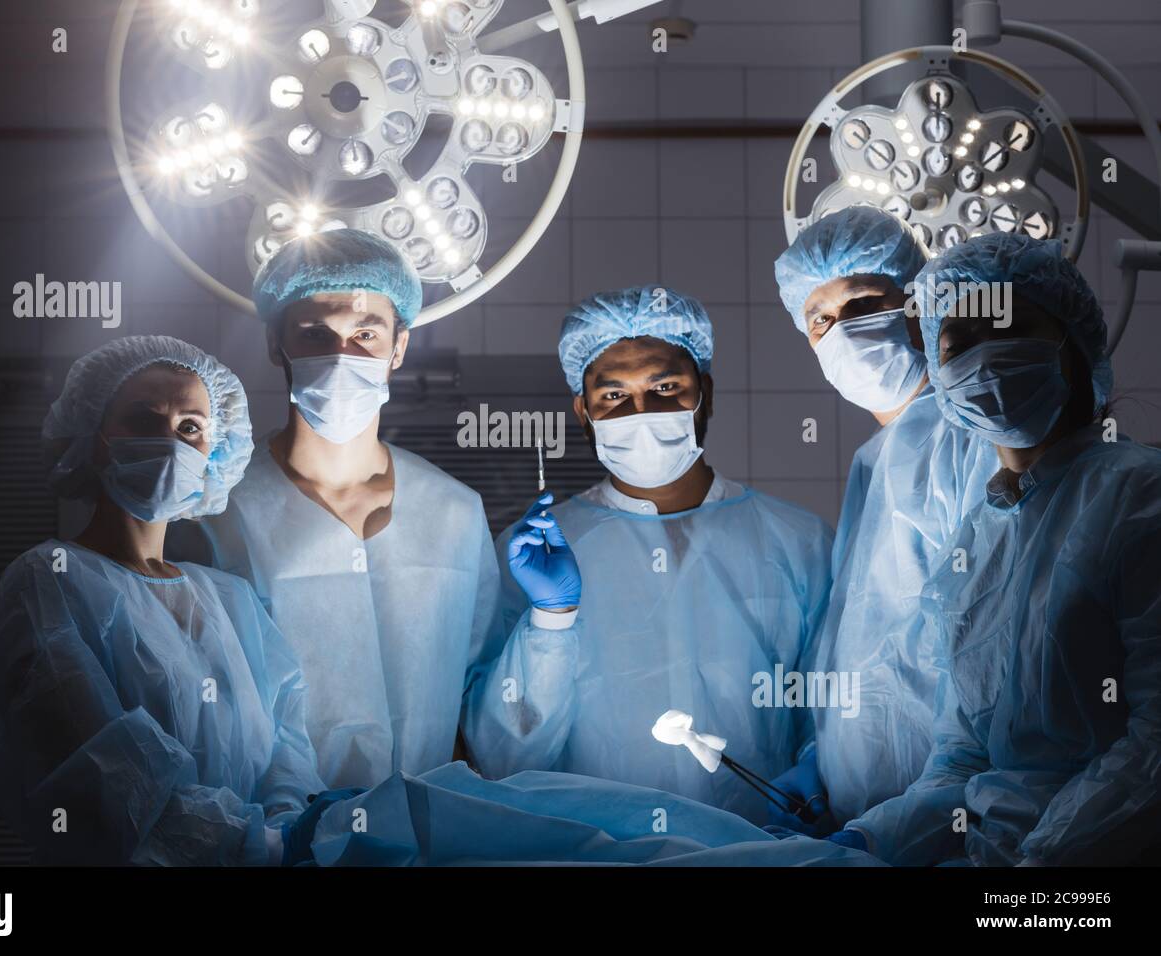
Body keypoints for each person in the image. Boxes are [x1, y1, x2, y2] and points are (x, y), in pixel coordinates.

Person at [829, 233, 1161, 865]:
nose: (985, 359)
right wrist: (879, 837)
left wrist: (1040, 866)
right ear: (941, 376)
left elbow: (1155, 745)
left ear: (1073, 343)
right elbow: (963, 754)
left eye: (1011, 329)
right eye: (959, 344)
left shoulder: (1139, 494)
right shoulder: (979, 536)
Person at [462, 286, 833, 823]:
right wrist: (550, 619)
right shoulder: (539, 553)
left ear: (705, 391)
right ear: (583, 412)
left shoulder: (797, 541)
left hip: (762, 846)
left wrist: (821, 766)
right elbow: (503, 755)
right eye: (613, 396)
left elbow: (833, 706)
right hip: (594, 849)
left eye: (665, 386)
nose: (642, 411)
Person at [0, 335, 335, 866]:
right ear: (96, 440)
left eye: (191, 427)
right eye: (144, 420)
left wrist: (284, 828)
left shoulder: (230, 599)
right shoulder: (51, 580)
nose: (171, 442)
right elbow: (101, 770)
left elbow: (287, 747)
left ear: (216, 451)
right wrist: (251, 844)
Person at [199, 229, 506, 790]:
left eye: (365, 333)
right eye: (316, 334)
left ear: (399, 348)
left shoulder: (455, 513)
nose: (342, 356)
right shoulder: (216, 510)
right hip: (276, 838)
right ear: (276, 344)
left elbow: (486, 704)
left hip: (426, 833)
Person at [768, 206, 996, 831]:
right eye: (821, 319)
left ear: (917, 305)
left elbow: (995, 653)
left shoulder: (972, 437)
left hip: (955, 823)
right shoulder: (872, 463)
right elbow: (858, 640)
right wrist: (821, 757)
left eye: (866, 303)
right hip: (864, 813)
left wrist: (921, 820)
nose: (844, 330)